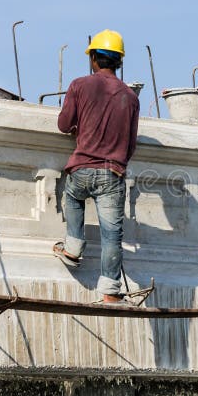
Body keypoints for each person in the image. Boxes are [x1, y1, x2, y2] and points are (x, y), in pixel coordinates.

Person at [52, 29, 139, 304]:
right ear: (119, 62)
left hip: (81, 168)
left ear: (93, 60)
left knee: (74, 197)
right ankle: (111, 291)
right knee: (112, 234)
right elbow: (131, 145)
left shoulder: (80, 85)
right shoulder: (130, 97)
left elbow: (64, 125)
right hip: (112, 173)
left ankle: (73, 247)